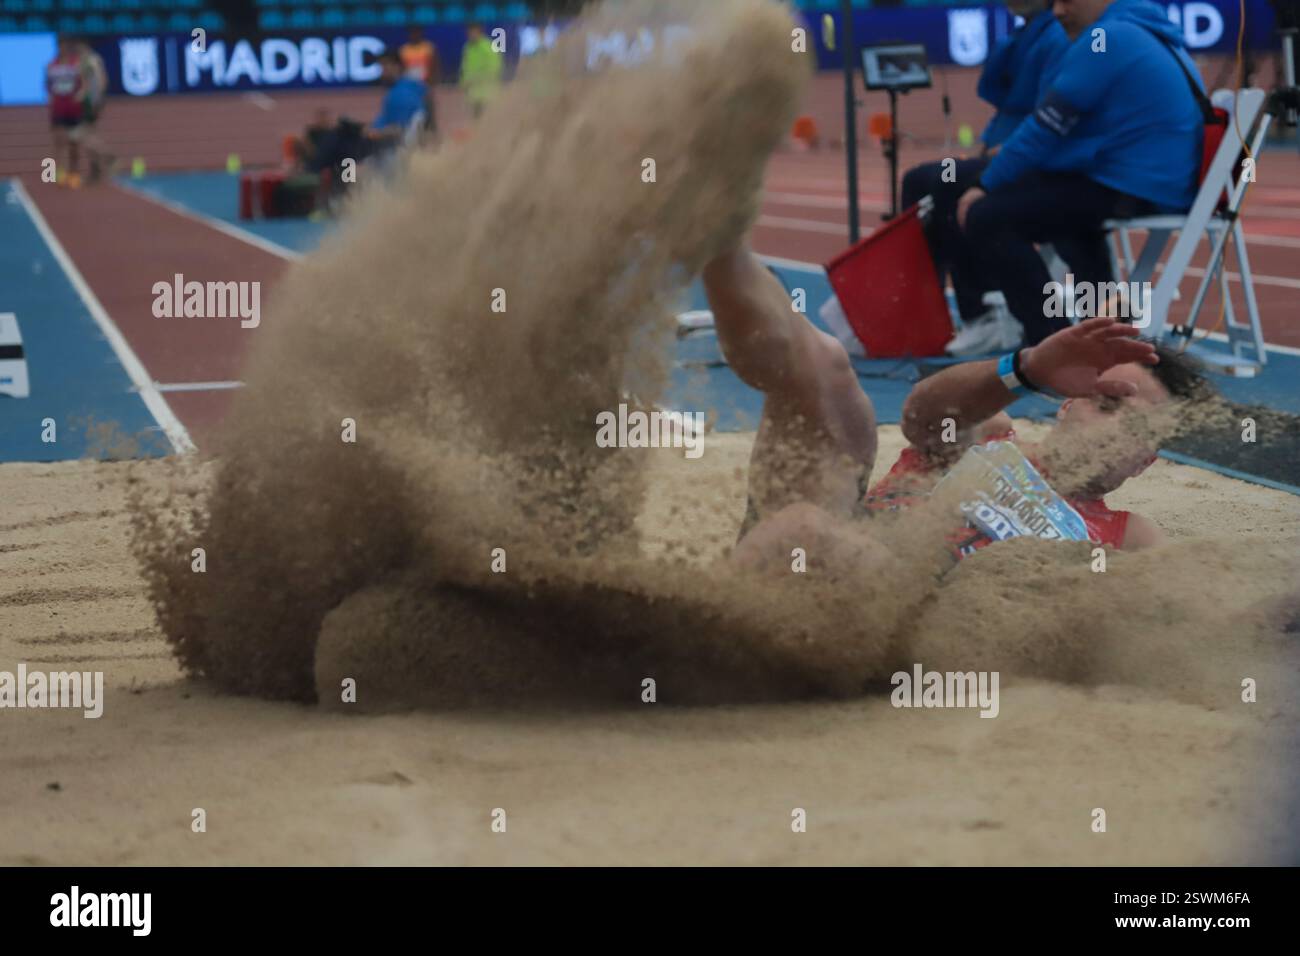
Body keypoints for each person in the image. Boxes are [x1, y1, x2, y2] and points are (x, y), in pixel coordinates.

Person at [698, 238, 1209, 577]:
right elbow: (921, 417)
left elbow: (1181, 616)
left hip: (891, 619)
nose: (1112, 433)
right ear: (1067, 406)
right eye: (1106, 405)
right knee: (825, 361)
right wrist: (1026, 369)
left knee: (803, 529)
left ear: (1145, 461)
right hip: (834, 540)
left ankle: (703, 628)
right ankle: (717, 242)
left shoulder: (1129, 538)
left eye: (1135, 428)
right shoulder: (989, 434)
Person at [953, 0, 1206, 346]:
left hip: (1137, 186)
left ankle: (1051, 342)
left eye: (1067, 0)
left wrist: (984, 184)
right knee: (1069, 219)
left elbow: (1046, 126)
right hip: (1158, 182)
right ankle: (1101, 331)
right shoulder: (1141, 28)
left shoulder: (1107, 37)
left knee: (987, 217)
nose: (1057, 11)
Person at [901, 0, 1069, 357]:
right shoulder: (1022, 36)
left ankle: (979, 309)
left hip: (1029, 157)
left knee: (950, 182)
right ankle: (925, 310)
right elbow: (996, 92)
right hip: (1004, 146)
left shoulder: (1058, 37)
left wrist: (1004, 152)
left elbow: (1048, 114)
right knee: (916, 180)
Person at [45, 36, 86, 188]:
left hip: (73, 108)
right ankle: (59, 172)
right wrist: (51, 97)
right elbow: (47, 84)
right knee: (59, 141)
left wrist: (80, 94)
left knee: (74, 142)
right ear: (57, 47)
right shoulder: (51, 65)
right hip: (58, 108)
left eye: (65, 46)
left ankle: (74, 173)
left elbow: (83, 83)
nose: (63, 49)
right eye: (60, 46)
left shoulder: (76, 64)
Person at [75, 40, 114, 183]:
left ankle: (107, 155)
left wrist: (94, 99)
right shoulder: (90, 59)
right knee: (90, 133)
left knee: (81, 134)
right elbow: (101, 79)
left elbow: (100, 79)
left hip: (90, 101)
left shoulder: (89, 60)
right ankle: (95, 170)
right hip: (92, 100)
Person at [399, 26, 441, 136]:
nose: (414, 35)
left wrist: (432, 82)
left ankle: (432, 134)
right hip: (410, 87)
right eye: (412, 33)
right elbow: (402, 69)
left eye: (417, 32)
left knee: (428, 111)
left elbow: (435, 64)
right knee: (412, 111)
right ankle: (414, 135)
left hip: (424, 85)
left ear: (421, 33)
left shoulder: (428, 48)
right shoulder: (404, 50)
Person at [459, 22, 503, 120]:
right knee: (477, 120)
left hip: (487, 94)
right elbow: (465, 68)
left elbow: (495, 68)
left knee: (488, 121)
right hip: (474, 94)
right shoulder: (468, 47)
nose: (470, 34)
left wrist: (477, 78)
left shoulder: (488, 46)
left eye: (473, 31)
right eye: (469, 31)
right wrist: (463, 83)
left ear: (480, 31)